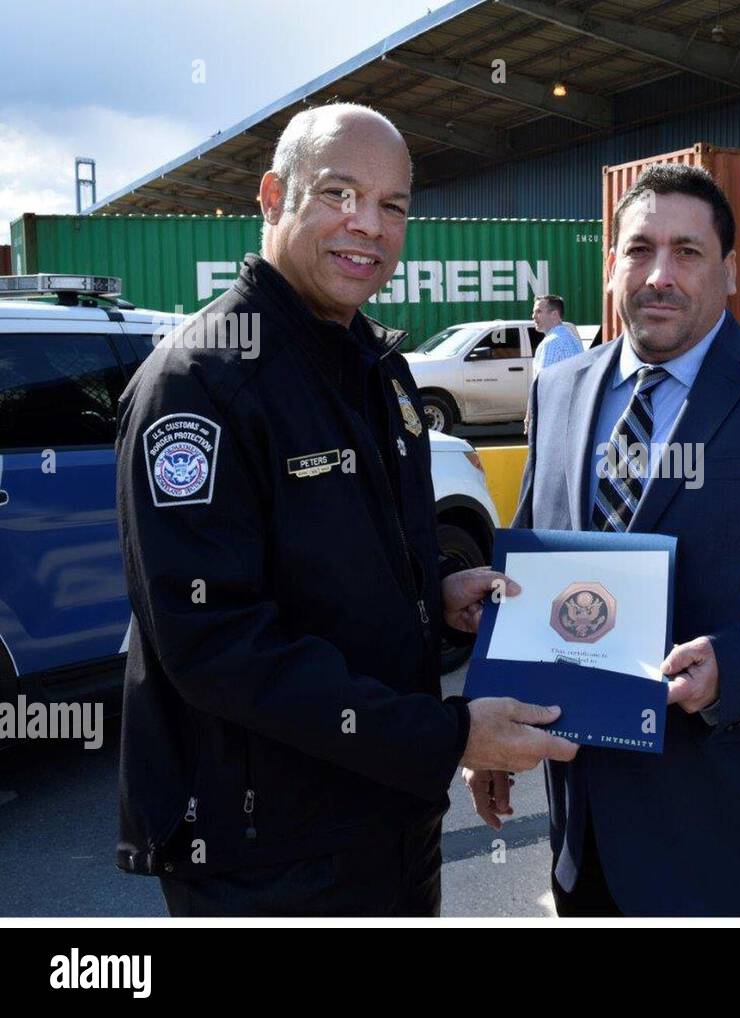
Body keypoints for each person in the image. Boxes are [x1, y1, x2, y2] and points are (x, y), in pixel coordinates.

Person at [115, 103, 575, 917]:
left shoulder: (376, 369)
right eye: (338, 193)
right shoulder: (201, 383)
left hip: (385, 822)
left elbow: (344, 557)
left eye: (392, 204)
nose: (367, 224)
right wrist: (447, 735)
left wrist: (434, 591)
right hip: (269, 855)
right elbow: (217, 644)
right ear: (270, 198)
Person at [464, 163, 740, 917]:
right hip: (585, 831)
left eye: (687, 253)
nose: (659, 275)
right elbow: (529, 568)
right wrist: (492, 722)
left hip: (731, 836)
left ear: (729, 271)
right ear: (611, 267)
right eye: (639, 249)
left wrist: (737, 665)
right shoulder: (561, 390)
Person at [530, 294, 583, 379]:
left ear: (554, 314)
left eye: (538, 311)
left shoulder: (551, 343)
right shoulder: (574, 340)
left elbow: (543, 383)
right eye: (533, 312)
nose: (533, 316)